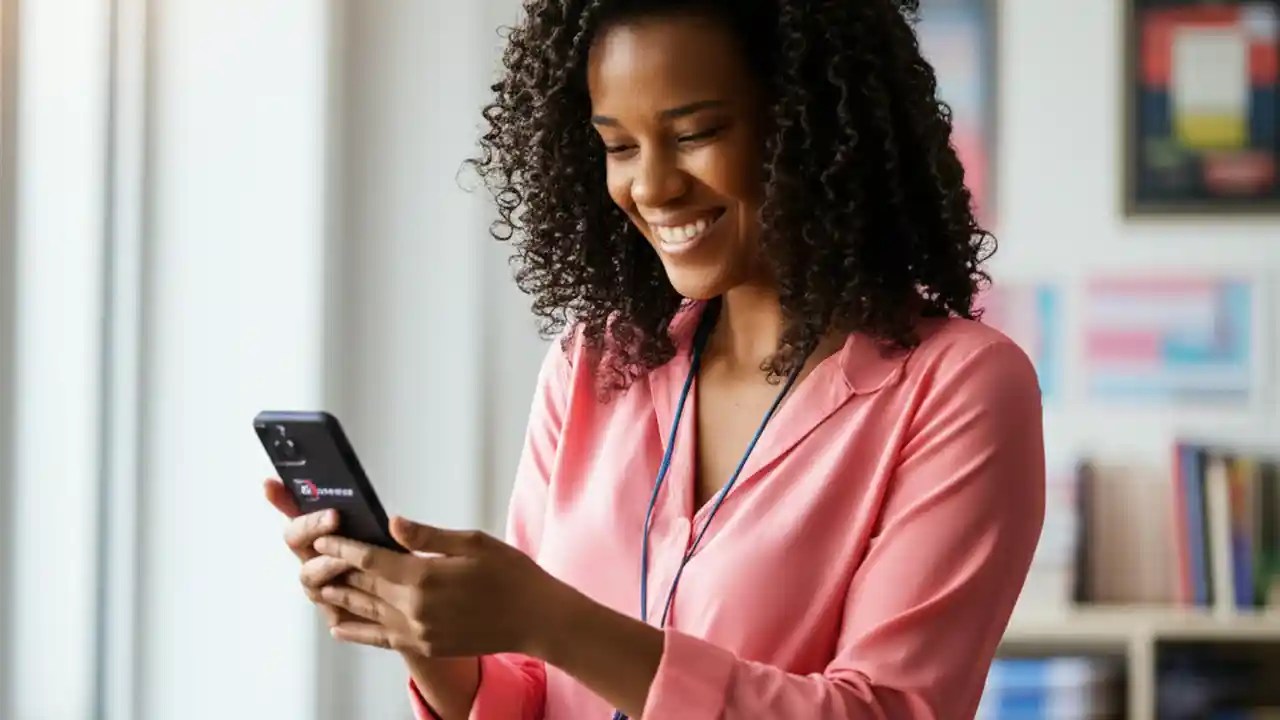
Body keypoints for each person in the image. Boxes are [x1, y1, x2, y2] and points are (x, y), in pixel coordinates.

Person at [264, 0, 1046, 717]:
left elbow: (883, 709)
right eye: (618, 146)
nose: (653, 185)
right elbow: (533, 693)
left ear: (809, 125)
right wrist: (426, 631)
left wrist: (549, 619)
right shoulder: (591, 365)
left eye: (697, 133)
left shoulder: (960, 387)